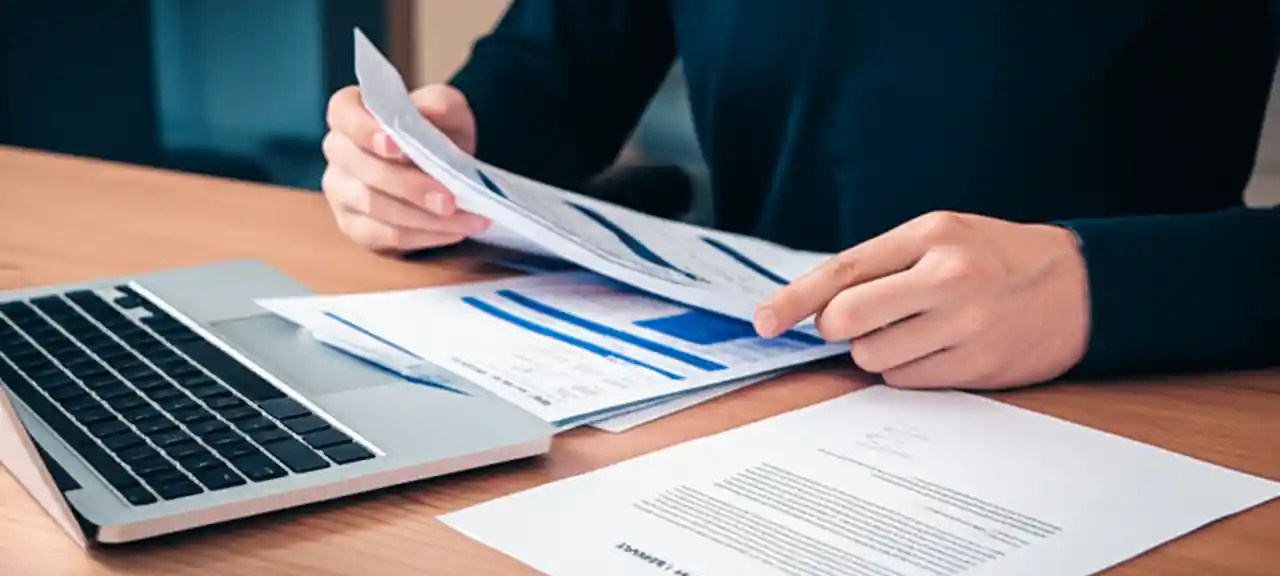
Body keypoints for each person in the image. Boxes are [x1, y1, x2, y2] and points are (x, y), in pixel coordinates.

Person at [320, 2, 1280, 390]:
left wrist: (1102, 287)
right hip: (763, 373)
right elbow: (552, 72)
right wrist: (435, 160)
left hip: (1138, 398)